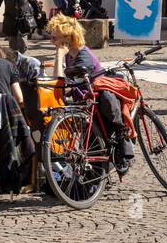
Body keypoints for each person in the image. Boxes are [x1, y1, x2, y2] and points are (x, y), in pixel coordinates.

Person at [48, 15, 134, 174]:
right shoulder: (70, 54)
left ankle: (121, 150)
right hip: (84, 103)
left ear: (67, 37)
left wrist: (59, 56)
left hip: (97, 105)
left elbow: (61, 85)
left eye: (54, 37)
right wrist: (60, 56)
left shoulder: (83, 57)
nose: (51, 41)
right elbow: (59, 85)